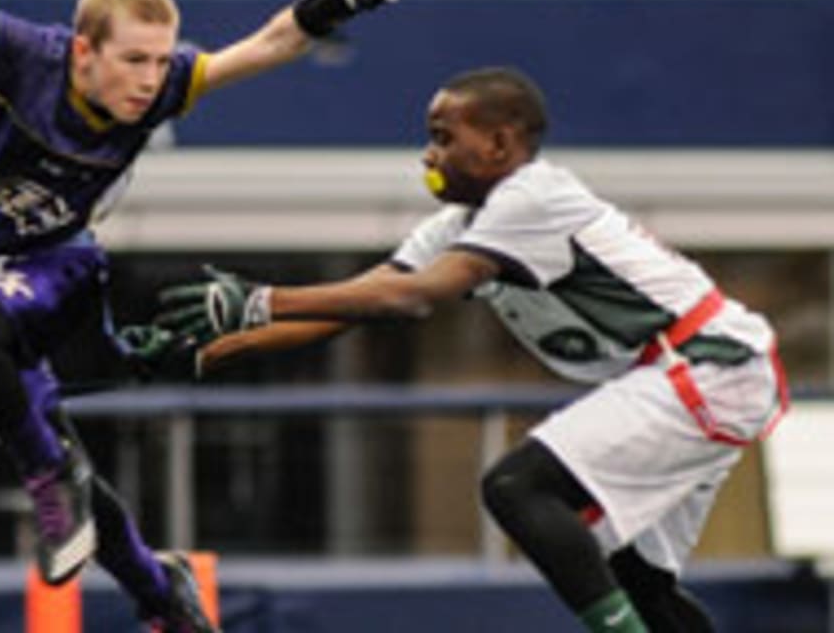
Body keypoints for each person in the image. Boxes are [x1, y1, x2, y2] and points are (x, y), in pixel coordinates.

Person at [0, 0, 424, 631]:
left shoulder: (168, 82)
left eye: (161, 59)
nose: (151, 80)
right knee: (44, 435)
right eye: (134, 60)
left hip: (56, 264)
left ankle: (56, 473)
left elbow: (268, 43)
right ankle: (160, 593)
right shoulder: (29, 58)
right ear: (83, 50)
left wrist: (340, 0)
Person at [146, 67, 790, 633]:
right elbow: (363, 299)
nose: (429, 155)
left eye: (444, 137)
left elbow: (417, 297)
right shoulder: (463, 223)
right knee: (641, 587)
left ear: (502, 143)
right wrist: (207, 352)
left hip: (705, 366)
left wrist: (261, 299)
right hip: (690, 375)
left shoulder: (531, 195)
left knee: (517, 488)